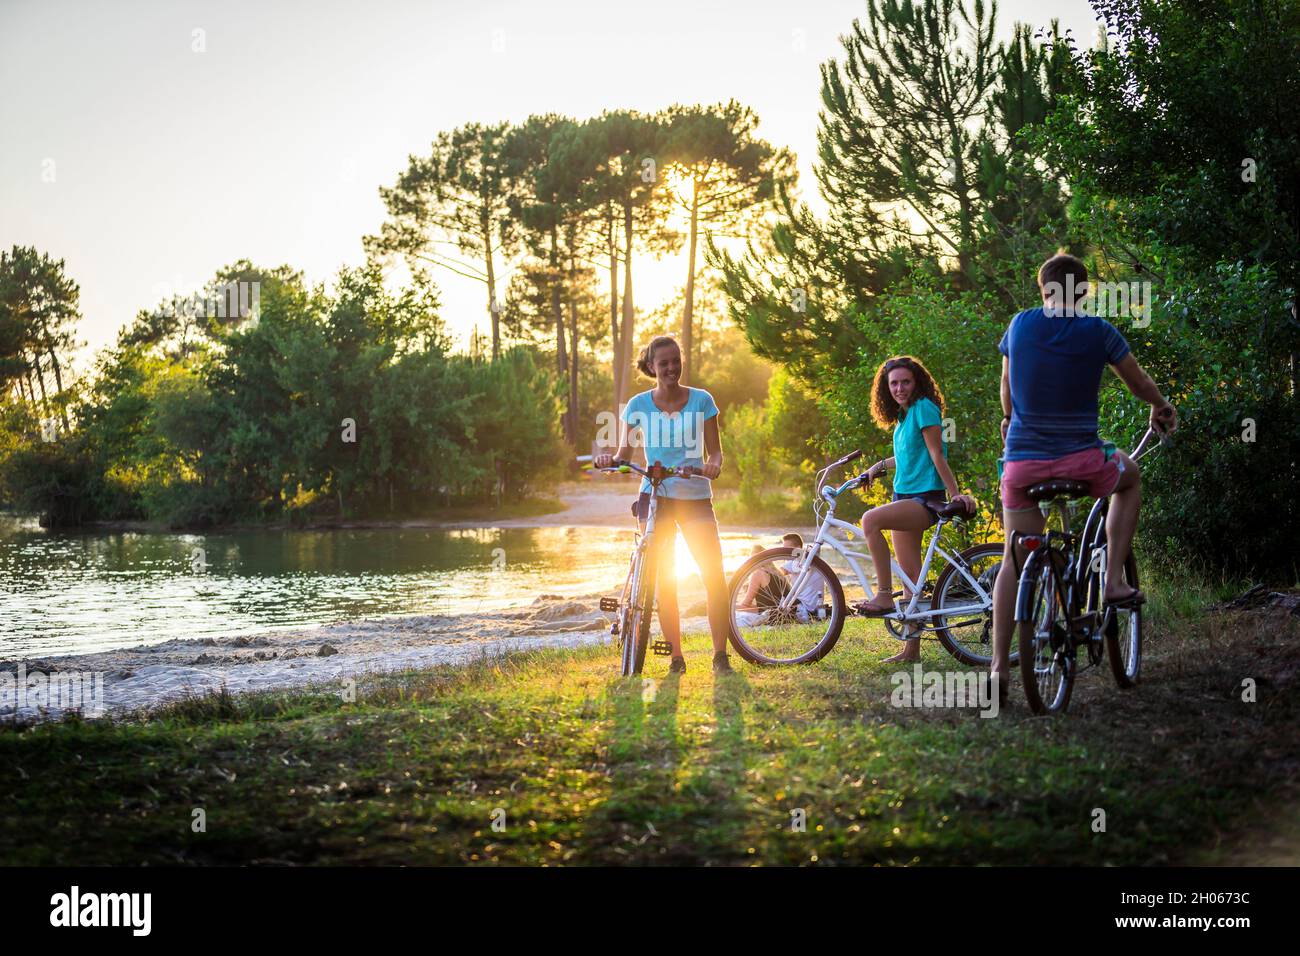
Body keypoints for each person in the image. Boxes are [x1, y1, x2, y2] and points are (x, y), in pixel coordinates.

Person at [989, 252, 1177, 700]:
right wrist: (1160, 406)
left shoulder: (1018, 326)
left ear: (1043, 289)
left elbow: (1007, 393)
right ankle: (1112, 579)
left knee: (1015, 560)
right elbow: (1138, 382)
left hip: (1022, 466)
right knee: (1129, 478)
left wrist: (1012, 421)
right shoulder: (1099, 331)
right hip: (1083, 462)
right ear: (1084, 291)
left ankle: (998, 668)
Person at [594, 335, 734, 674]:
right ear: (652, 367)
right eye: (663, 363)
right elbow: (622, 456)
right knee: (663, 579)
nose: (671, 367)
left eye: (675, 360)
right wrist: (606, 460)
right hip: (654, 497)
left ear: (681, 361)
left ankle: (719, 656)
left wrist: (713, 464)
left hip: (695, 497)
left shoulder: (702, 400)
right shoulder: (638, 405)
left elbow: (714, 451)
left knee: (713, 575)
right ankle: (676, 658)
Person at [854, 356, 978, 663]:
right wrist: (877, 467)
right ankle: (911, 651)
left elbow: (937, 454)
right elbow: (909, 456)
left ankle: (883, 595)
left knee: (869, 520)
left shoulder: (924, 408)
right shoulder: (903, 417)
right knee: (911, 578)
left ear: (917, 382)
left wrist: (956, 494)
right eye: (893, 383)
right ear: (886, 387)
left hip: (924, 499)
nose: (899, 388)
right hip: (903, 496)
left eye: (905, 382)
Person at [735, 544, 789, 627]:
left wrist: (727, 606)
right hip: (787, 614)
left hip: (771, 616)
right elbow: (766, 605)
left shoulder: (758, 573)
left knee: (729, 610)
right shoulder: (777, 573)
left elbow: (745, 605)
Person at [780, 532, 826, 622]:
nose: (784, 552)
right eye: (783, 549)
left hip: (804, 609)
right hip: (818, 608)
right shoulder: (809, 558)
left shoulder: (799, 561)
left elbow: (777, 573)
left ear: (797, 549)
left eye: (786, 549)